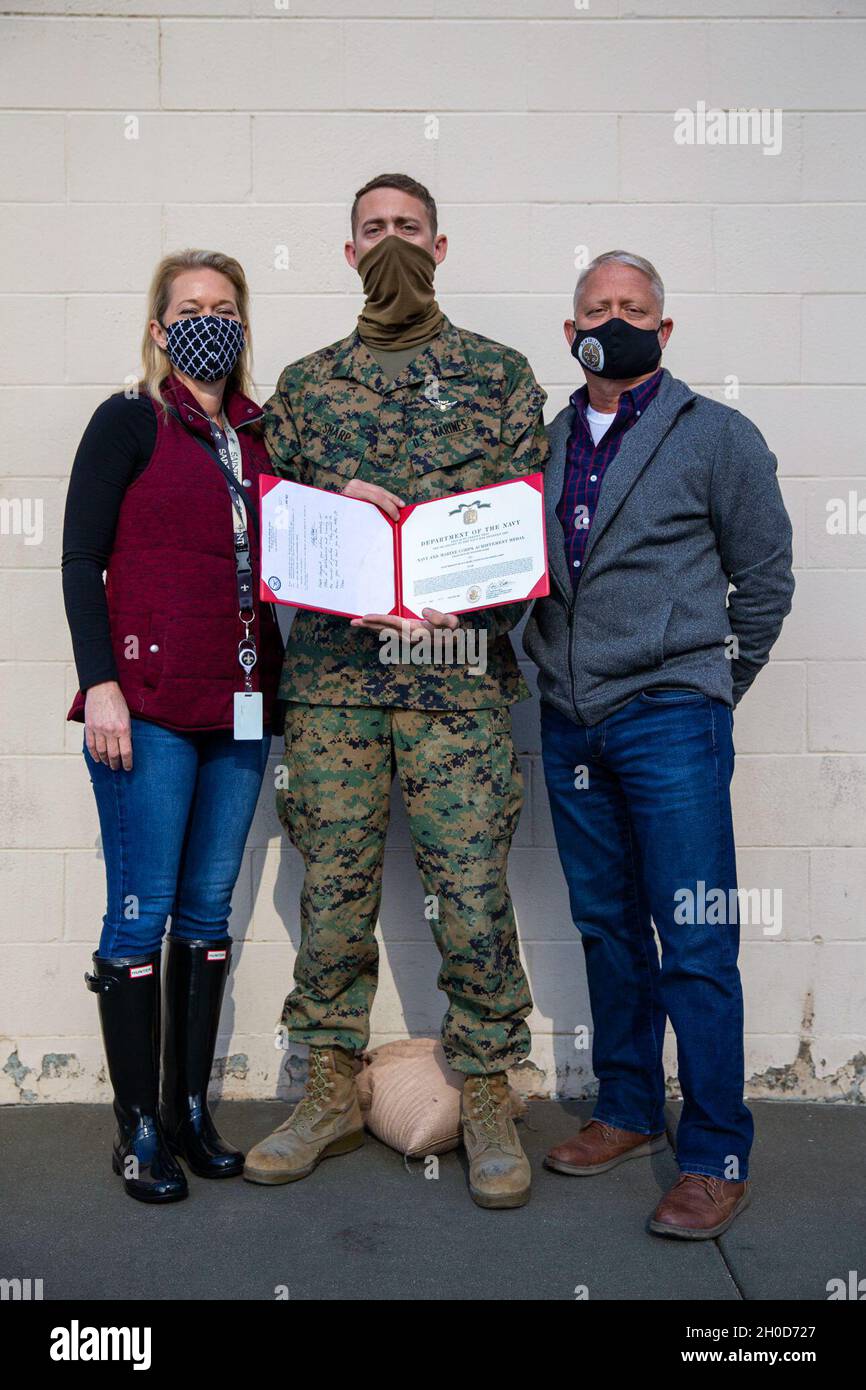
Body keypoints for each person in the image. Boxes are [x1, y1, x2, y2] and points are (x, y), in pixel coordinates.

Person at [243, 173, 548, 1209]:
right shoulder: (305, 385)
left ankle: (486, 1089)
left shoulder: (499, 377)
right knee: (332, 891)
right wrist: (333, 501)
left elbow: (523, 522)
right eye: (372, 231)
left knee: (469, 891)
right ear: (345, 253)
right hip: (335, 679)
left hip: (456, 676)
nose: (390, 245)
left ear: (440, 245)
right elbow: (270, 525)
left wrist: (459, 601)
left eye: (406, 230)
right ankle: (328, 1083)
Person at [523, 249, 795, 1238]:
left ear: (663, 330)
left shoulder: (714, 437)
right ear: (570, 331)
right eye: (596, 307)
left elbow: (761, 584)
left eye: (632, 307)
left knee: (693, 937)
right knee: (603, 924)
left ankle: (715, 1150)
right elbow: (519, 572)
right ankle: (630, 1109)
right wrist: (536, 657)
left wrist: (709, 690)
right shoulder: (542, 445)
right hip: (569, 721)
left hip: (669, 716)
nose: (614, 319)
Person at [62, 250, 284, 1203]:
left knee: (205, 915)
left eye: (224, 307)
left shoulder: (264, 435)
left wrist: (357, 513)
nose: (209, 320)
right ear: (159, 327)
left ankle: (190, 1112)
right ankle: (138, 1131)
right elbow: (79, 559)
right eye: (190, 307)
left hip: (239, 711)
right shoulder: (127, 421)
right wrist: (99, 684)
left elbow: (305, 543)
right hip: (145, 710)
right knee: (141, 914)